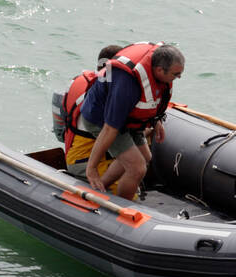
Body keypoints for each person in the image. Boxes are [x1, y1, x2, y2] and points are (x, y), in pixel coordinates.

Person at [75, 42, 184, 199]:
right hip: (102, 118)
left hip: (129, 119)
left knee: (145, 157)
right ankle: (121, 208)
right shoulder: (127, 86)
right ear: (160, 70)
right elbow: (109, 129)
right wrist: (91, 169)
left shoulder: (157, 67)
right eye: (175, 74)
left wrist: (156, 121)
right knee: (137, 168)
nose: (178, 77)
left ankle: (99, 189)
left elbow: (154, 97)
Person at [61, 45, 126, 180]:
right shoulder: (106, 98)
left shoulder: (77, 81)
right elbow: (118, 136)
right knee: (132, 167)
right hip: (86, 161)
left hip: (74, 153)